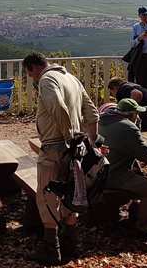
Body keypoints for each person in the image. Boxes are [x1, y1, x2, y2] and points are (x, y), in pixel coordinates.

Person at [23, 52, 99, 264]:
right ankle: (71, 242)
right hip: (76, 149)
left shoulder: (47, 80)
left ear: (33, 68)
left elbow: (57, 106)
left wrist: (69, 138)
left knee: (47, 194)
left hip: (56, 147)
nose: (32, 79)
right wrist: (92, 144)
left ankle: (51, 247)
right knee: (71, 191)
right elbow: (92, 113)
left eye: (30, 75)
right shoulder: (72, 79)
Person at [98, 99, 147, 240]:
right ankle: (143, 229)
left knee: (138, 175)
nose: (139, 117)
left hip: (97, 174)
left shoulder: (102, 120)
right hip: (114, 176)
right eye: (137, 113)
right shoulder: (127, 128)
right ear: (132, 114)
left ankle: (135, 213)